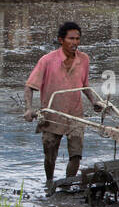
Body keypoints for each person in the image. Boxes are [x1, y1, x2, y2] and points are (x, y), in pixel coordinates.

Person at [23, 21, 107, 191]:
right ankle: (49, 183)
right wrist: (29, 108)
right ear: (61, 40)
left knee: (76, 154)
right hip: (52, 115)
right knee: (50, 156)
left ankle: (67, 186)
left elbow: (84, 85)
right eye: (71, 39)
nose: (75, 42)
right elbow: (30, 86)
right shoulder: (47, 61)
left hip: (75, 115)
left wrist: (94, 102)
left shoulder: (84, 59)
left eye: (77, 39)